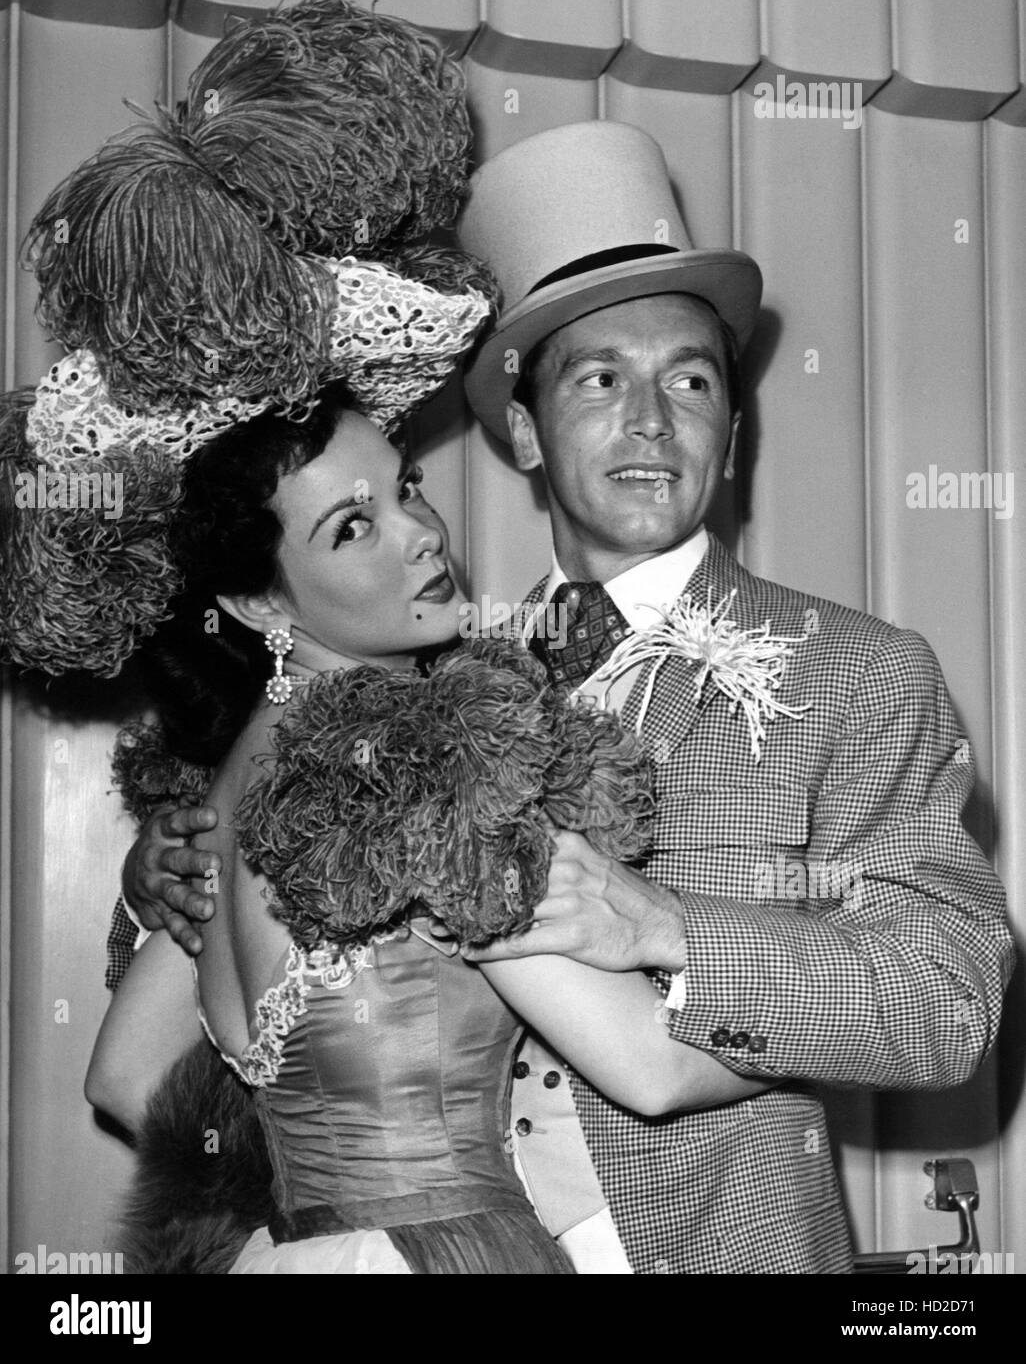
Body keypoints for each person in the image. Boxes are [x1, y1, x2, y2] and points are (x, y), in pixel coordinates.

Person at [132, 122, 1014, 1275]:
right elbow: (221, 996)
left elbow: (945, 996)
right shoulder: (405, 682)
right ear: (523, 429)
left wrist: (669, 926)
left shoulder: (858, 670)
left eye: (690, 379)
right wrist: (154, 878)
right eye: (601, 377)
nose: (652, 421)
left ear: (735, 433)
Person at [87, 381, 777, 1274]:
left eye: (406, 487)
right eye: (352, 525)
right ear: (260, 604)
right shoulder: (418, 769)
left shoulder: (213, 807)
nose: (421, 532)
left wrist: (342, 1170)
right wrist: (839, 1022)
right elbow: (652, 1067)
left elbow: (126, 1078)